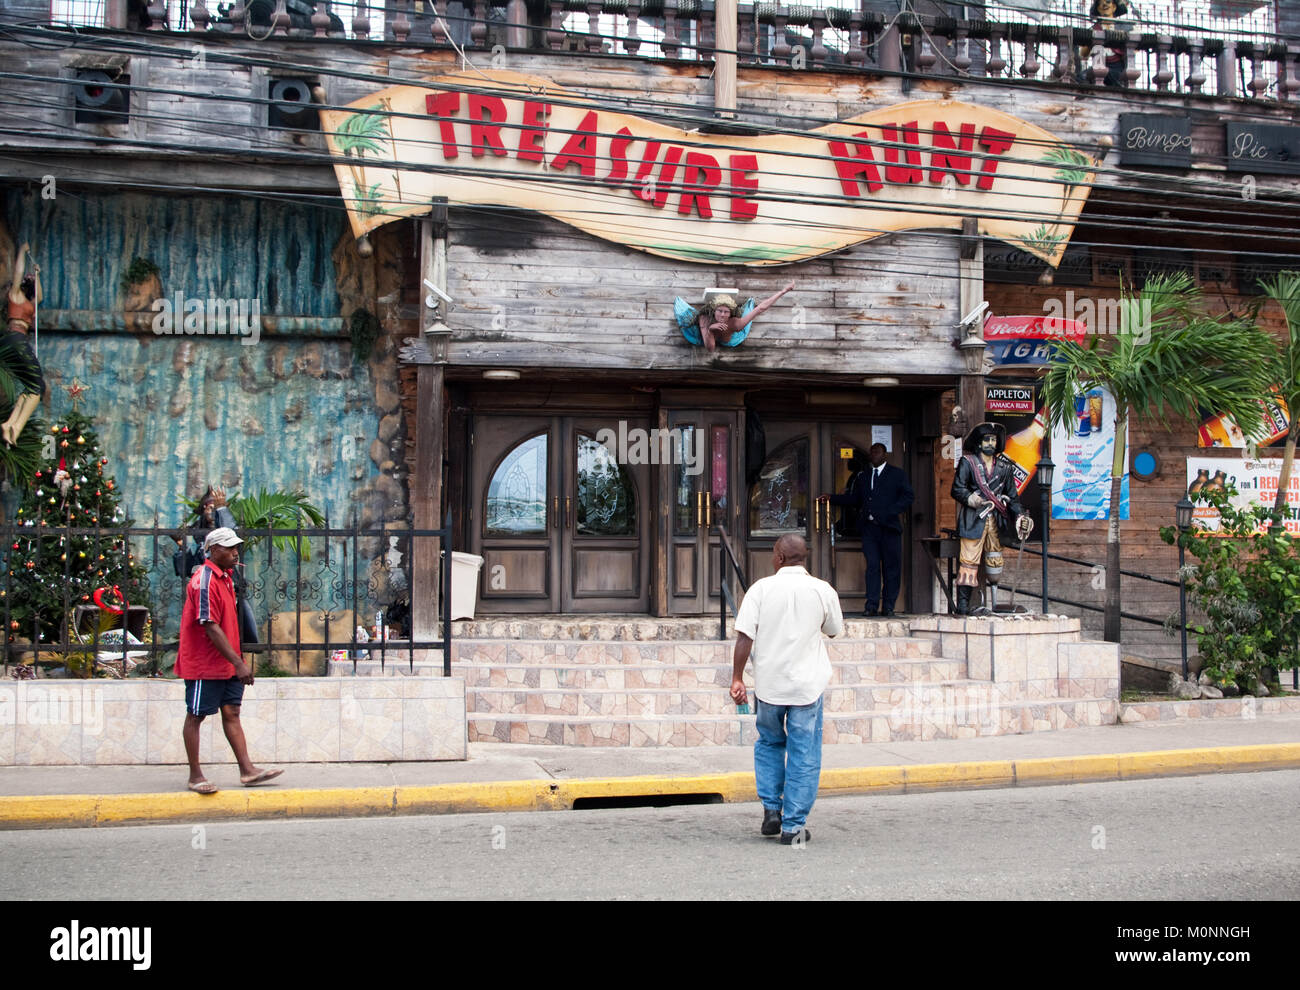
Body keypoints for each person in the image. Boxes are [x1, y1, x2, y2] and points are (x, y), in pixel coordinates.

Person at [730, 533, 843, 845]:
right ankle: (793, 825)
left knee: (769, 743)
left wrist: (737, 678)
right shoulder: (823, 590)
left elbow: (744, 638)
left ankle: (771, 810)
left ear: (778, 557)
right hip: (807, 687)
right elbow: (833, 631)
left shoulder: (760, 589)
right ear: (803, 558)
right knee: (803, 753)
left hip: (769, 686)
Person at [177, 526, 281, 793]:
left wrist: (235, 661)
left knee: (232, 712)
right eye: (229, 548)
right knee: (196, 715)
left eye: (236, 548)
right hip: (205, 663)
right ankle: (195, 775)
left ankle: (247, 770)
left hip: (227, 661)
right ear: (213, 550)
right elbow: (209, 625)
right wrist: (238, 663)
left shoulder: (226, 577)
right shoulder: (204, 580)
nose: (236, 553)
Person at [950, 423, 1033, 615]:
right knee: (968, 562)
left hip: (996, 520)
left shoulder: (1005, 467)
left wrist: (1020, 516)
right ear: (979, 443)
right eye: (987, 439)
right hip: (973, 518)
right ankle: (963, 607)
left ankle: (995, 603)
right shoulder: (967, 462)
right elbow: (957, 489)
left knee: (995, 561)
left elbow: (1012, 498)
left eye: (993, 439)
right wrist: (973, 499)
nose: (990, 443)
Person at [825, 443, 914, 616]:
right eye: (872, 452)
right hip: (869, 530)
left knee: (891, 568)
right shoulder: (864, 476)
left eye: (877, 452)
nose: (874, 454)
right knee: (872, 567)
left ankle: (888, 606)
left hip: (889, 528)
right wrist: (832, 498)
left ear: (884, 454)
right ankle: (871, 605)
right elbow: (856, 499)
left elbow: (908, 496)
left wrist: (891, 512)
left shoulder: (897, 474)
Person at [173, 485, 258, 646]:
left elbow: (233, 535)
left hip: (228, 586)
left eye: (214, 508)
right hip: (207, 588)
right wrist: (181, 547)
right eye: (209, 508)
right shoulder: (196, 534)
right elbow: (184, 568)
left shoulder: (224, 530)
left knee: (234, 633)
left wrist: (222, 510)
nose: (212, 512)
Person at [2, 242, 45, 446]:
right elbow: (18, 274)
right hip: (16, 340)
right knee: (38, 389)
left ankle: (10, 423)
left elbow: (40, 297)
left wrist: (37, 276)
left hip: (16, 342)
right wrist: (21, 251)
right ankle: (16, 428)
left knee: (31, 387)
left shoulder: (27, 303)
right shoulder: (15, 296)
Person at [674, 281, 797, 351]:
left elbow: (760, 309)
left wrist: (783, 291)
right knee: (687, 319)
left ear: (730, 313)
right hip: (705, 338)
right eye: (719, 311)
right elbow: (710, 349)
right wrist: (711, 330)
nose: (722, 315)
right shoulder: (705, 319)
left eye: (726, 312)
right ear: (714, 311)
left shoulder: (735, 323)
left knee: (750, 309)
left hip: (730, 341)